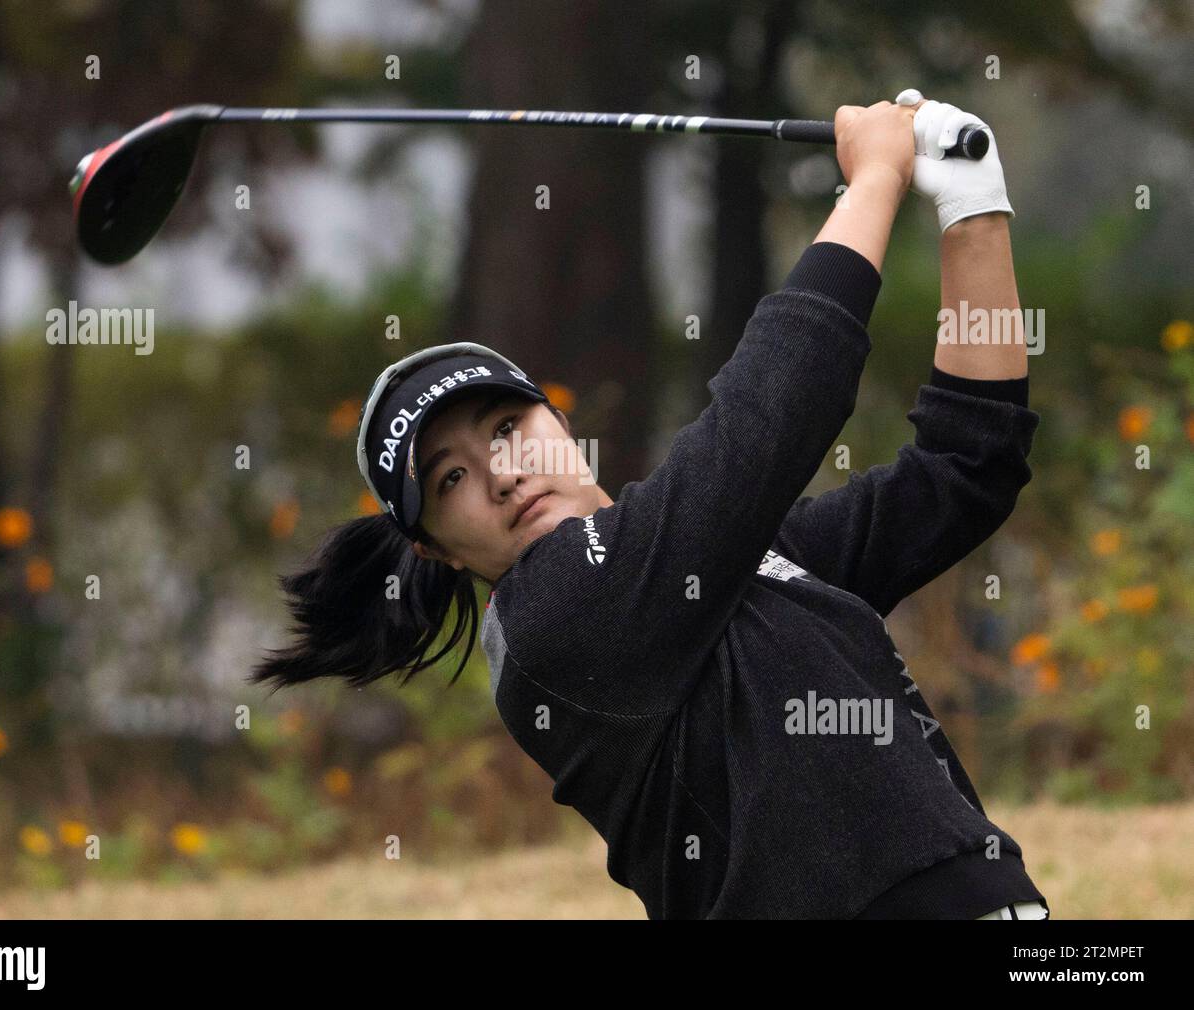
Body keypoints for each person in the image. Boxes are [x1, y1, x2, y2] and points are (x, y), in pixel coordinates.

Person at [252, 89, 1050, 920]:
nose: (500, 475)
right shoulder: (553, 620)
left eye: (505, 428)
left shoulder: (738, 564)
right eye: (448, 480)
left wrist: (972, 205)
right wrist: (875, 178)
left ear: (557, 421)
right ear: (436, 550)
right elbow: (773, 413)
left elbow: (966, 467)